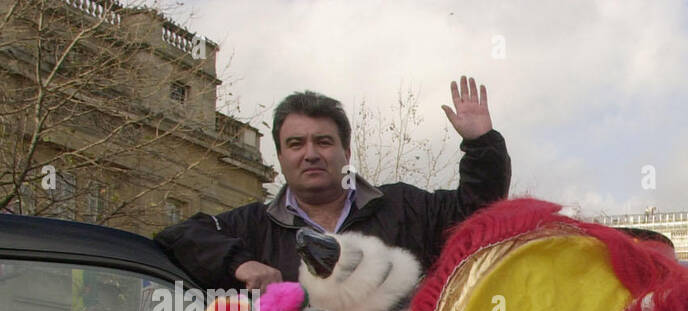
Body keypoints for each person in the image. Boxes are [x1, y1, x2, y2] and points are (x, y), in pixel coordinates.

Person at [156, 79, 510, 290]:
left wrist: (482, 145)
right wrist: (240, 263)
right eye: (296, 144)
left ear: (346, 151)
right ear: (280, 157)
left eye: (323, 142)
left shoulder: (404, 208)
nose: (310, 154)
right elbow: (178, 235)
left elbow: (478, 213)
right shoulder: (251, 229)